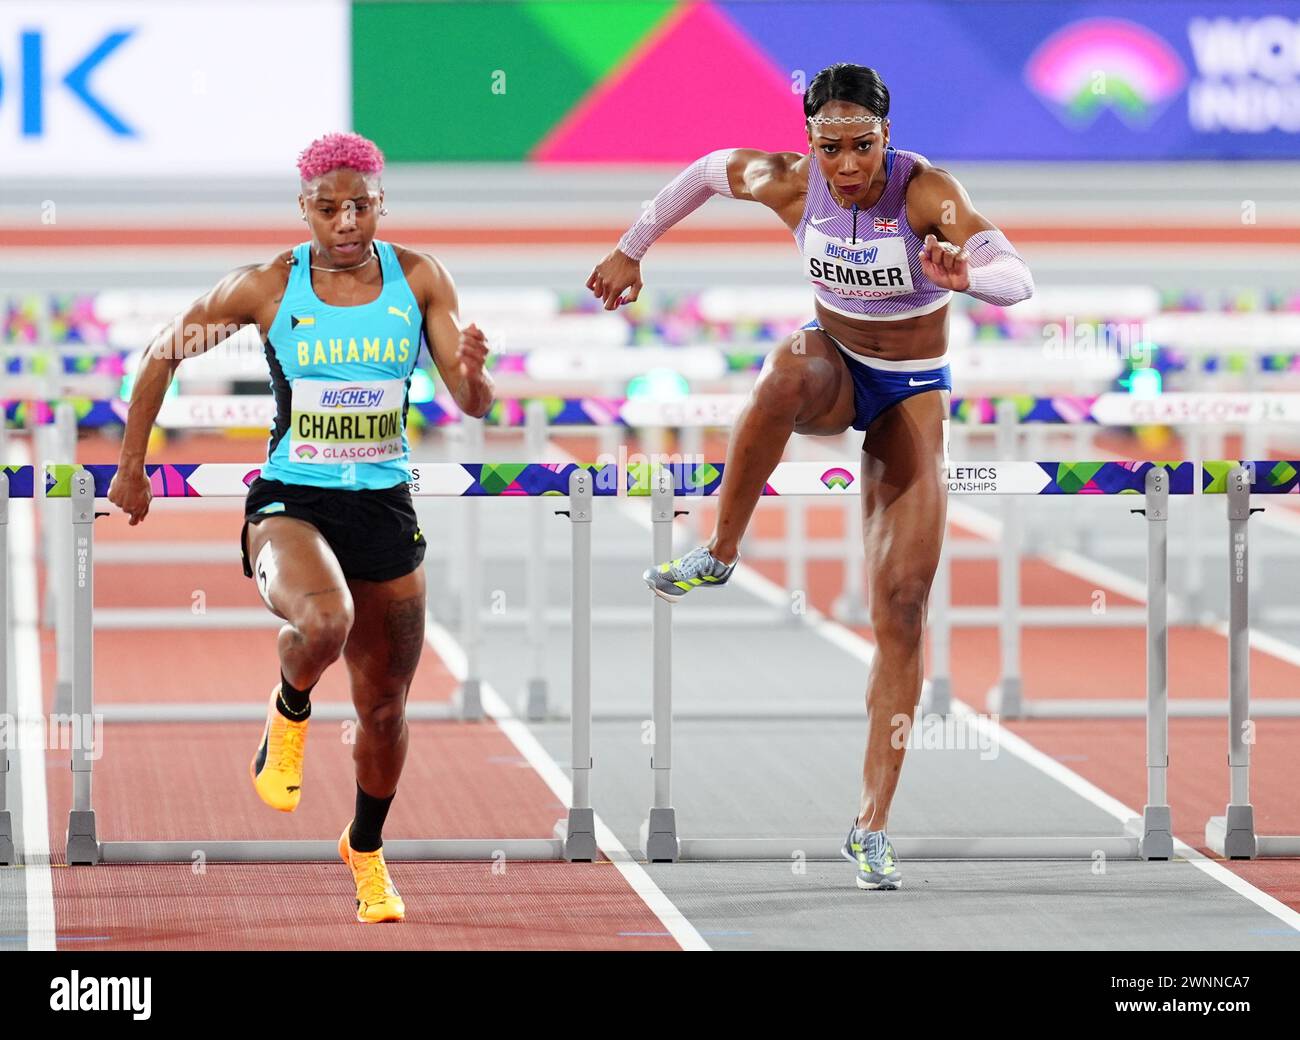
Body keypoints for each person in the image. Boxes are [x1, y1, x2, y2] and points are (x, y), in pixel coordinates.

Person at [586, 64, 1033, 890]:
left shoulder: (928, 193)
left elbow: (1018, 273)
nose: (850, 166)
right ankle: (719, 547)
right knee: (784, 368)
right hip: (834, 369)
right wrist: (630, 247)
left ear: (887, 138)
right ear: (810, 145)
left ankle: (871, 823)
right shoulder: (789, 182)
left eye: (864, 146)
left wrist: (973, 281)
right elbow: (703, 171)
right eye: (833, 148)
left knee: (901, 606)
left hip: (911, 393)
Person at [107, 132, 494, 921]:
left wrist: (477, 373)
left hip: (384, 506)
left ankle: (366, 847)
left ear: (382, 203)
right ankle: (289, 713)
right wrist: (130, 465)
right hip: (292, 500)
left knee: (385, 707)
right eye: (330, 209)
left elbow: (471, 401)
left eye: (362, 206)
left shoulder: (419, 279)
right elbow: (160, 354)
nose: (347, 222)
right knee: (325, 619)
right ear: (304, 210)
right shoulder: (268, 287)